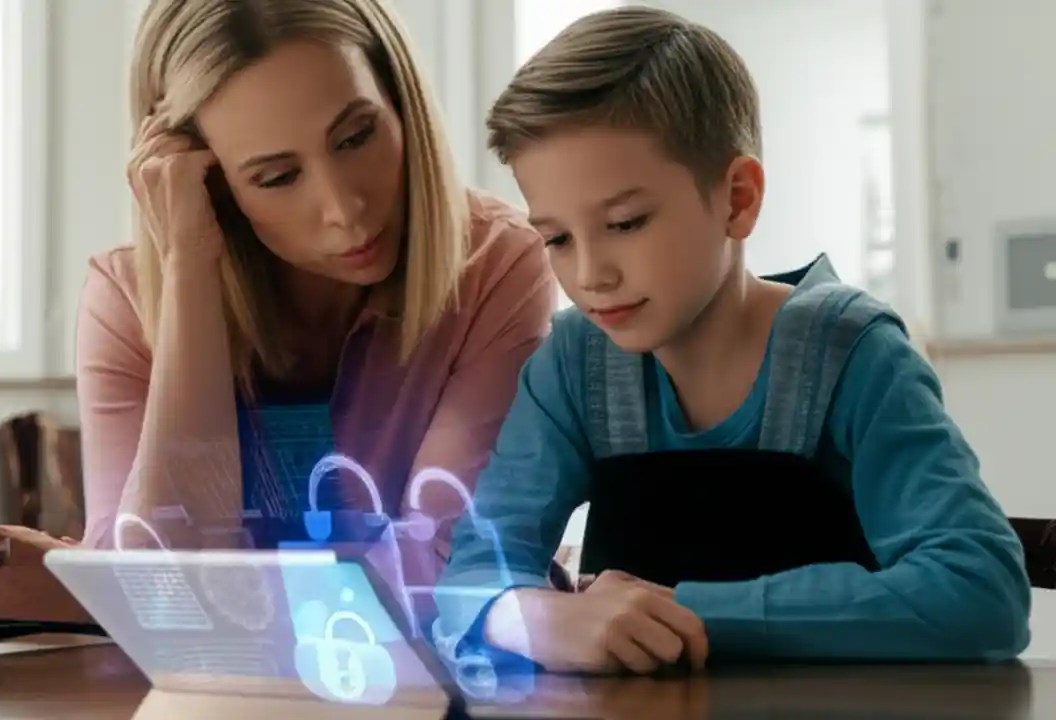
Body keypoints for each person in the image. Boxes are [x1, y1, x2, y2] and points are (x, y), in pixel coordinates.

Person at [0, 0, 556, 629]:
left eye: (357, 136)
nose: (344, 207)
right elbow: (159, 593)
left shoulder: (498, 263)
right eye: (277, 176)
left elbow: (445, 570)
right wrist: (189, 269)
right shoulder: (125, 299)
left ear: (400, 101)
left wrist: (184, 595)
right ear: (205, 178)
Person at [435, 6, 1030, 676]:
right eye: (557, 239)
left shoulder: (855, 354)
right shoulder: (571, 366)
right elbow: (470, 577)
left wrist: (684, 614)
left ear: (738, 199)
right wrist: (530, 615)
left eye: (626, 222)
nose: (589, 275)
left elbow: (981, 591)